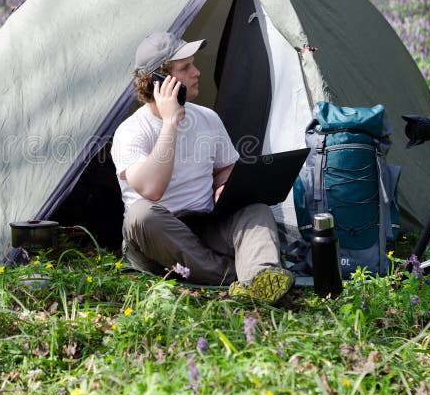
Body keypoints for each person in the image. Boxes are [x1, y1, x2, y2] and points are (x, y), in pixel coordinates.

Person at [110, 31, 294, 303]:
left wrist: (224, 187)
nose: (197, 72)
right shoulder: (132, 131)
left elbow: (224, 169)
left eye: (193, 64)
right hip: (159, 237)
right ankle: (239, 277)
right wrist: (170, 123)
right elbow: (152, 189)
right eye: (185, 68)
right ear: (158, 82)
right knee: (140, 215)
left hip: (206, 225)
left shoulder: (208, 118)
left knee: (256, 209)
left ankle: (260, 279)